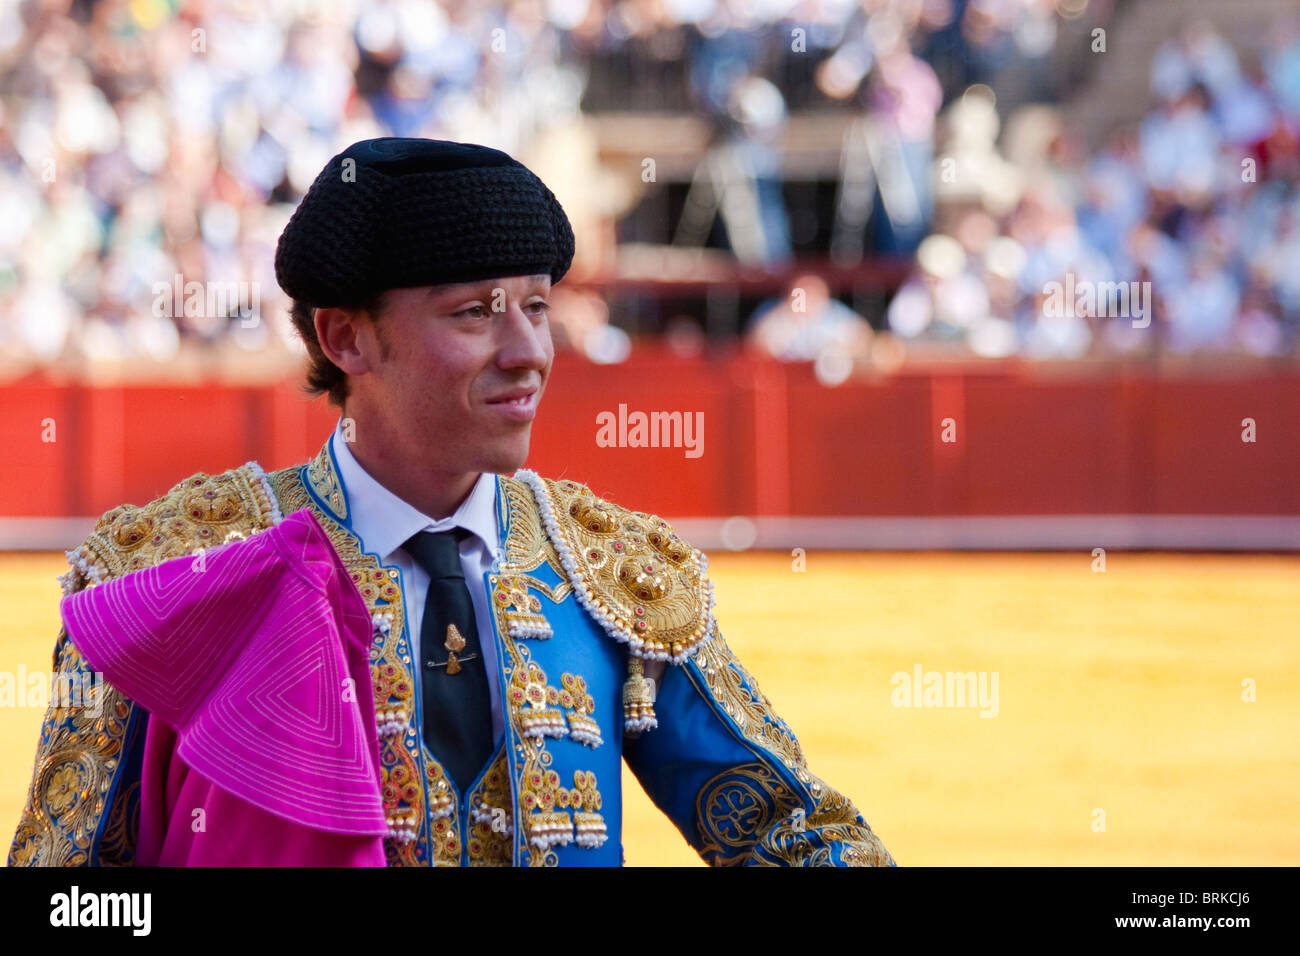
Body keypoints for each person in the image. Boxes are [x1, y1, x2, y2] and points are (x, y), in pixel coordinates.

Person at [9, 138, 895, 868]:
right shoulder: (176, 574)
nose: (528, 352)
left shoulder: (613, 572)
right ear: (346, 336)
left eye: (538, 308)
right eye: (475, 312)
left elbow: (790, 835)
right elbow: (74, 888)